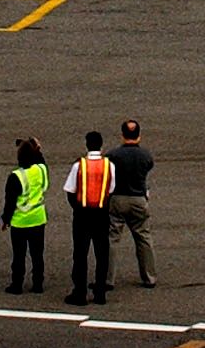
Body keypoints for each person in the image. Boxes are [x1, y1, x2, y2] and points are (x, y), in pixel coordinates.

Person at [62, 130, 115, 305]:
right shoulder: (109, 165)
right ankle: (100, 293)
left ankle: (80, 292)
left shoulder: (79, 165)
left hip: (82, 214)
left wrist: (77, 208)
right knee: (102, 254)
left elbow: (70, 191)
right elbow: (112, 190)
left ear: (87, 144)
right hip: (101, 213)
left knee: (80, 254)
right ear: (101, 145)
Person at [105, 119, 157, 288]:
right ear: (139, 136)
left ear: (122, 135)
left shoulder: (112, 156)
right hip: (138, 199)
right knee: (143, 238)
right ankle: (149, 277)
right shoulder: (146, 156)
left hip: (118, 198)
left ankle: (108, 279)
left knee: (112, 239)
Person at [1, 137, 48, 294]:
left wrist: (5, 219)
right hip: (38, 218)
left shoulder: (15, 176)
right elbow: (42, 161)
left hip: (20, 221)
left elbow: (10, 202)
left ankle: (17, 284)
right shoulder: (41, 170)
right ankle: (38, 284)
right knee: (37, 254)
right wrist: (38, 148)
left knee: (19, 255)